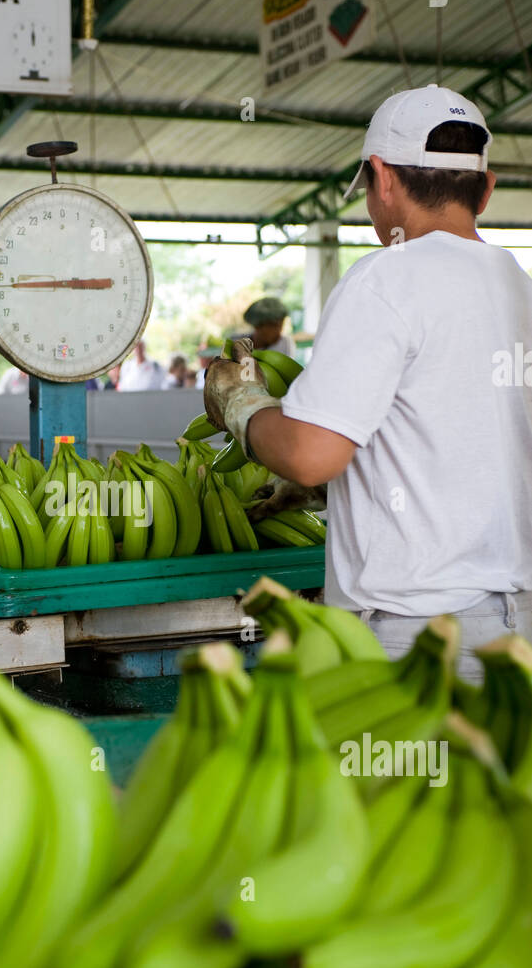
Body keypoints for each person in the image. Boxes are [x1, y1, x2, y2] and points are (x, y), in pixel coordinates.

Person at [204, 84, 532, 680]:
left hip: (413, 634)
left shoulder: (386, 278)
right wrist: (341, 491)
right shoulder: (520, 287)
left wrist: (242, 404)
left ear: (381, 178)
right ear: (485, 188)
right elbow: (465, 447)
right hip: (515, 630)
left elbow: (308, 452)